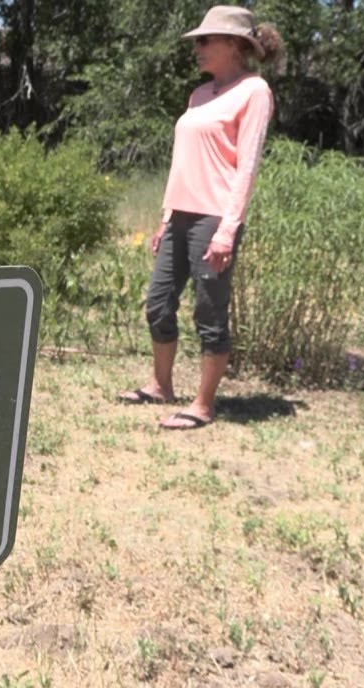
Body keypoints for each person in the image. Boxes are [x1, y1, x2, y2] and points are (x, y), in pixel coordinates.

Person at [118, 5, 284, 430]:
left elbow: (246, 166)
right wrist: (165, 216)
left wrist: (228, 230)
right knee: (158, 304)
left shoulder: (254, 91)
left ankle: (204, 406)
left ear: (234, 45)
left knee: (209, 314)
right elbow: (185, 161)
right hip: (179, 216)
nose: (197, 48)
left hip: (215, 219)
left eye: (205, 40)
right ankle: (161, 386)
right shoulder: (198, 95)